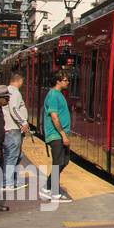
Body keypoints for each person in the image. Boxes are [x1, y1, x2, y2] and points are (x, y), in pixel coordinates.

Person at [41, 71, 73, 203]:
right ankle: (54, 193)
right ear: (58, 81)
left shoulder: (58, 94)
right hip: (56, 135)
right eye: (65, 80)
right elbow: (54, 116)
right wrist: (63, 135)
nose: (68, 82)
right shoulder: (54, 95)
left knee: (63, 161)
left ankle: (47, 188)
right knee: (58, 163)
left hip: (59, 135)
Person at [1, 71, 30, 193]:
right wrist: (23, 122)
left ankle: (10, 180)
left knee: (16, 155)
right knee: (12, 156)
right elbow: (14, 109)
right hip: (13, 129)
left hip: (10, 129)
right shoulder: (14, 92)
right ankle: (8, 183)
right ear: (19, 80)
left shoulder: (8, 91)